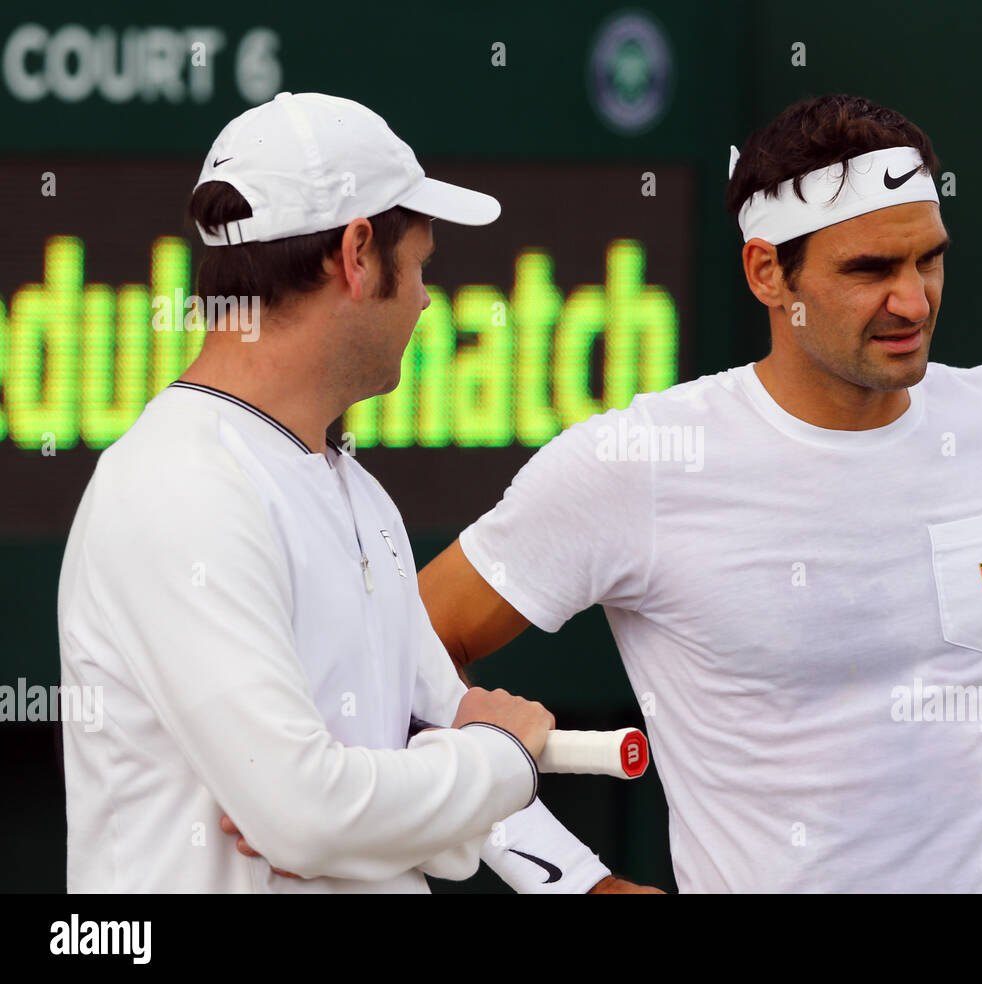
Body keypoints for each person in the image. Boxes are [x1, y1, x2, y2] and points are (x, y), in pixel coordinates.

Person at [416, 94, 982, 892]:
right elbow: (402, 658)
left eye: (927, 259)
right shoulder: (637, 463)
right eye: (869, 270)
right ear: (766, 272)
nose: (914, 301)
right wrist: (574, 882)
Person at [57, 91, 636, 894]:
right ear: (358, 253)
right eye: (423, 264)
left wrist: (408, 811)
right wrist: (494, 761)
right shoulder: (174, 484)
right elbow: (307, 816)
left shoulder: (360, 497)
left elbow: (411, 757)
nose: (428, 298)